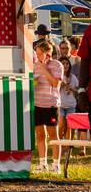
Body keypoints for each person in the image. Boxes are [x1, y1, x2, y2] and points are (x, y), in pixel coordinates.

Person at [33, 38, 63, 170]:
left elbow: (55, 83)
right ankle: (42, 163)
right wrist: (33, 82)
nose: (37, 56)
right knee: (40, 134)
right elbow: (33, 83)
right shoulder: (34, 65)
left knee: (53, 136)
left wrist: (44, 69)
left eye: (40, 53)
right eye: (36, 53)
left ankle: (56, 165)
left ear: (48, 53)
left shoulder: (57, 65)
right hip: (37, 103)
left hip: (51, 105)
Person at [59, 55, 79, 139]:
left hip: (71, 105)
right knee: (61, 125)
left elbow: (78, 91)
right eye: (63, 63)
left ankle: (66, 148)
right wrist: (61, 85)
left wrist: (72, 89)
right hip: (60, 105)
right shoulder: (58, 76)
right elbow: (53, 90)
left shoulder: (73, 77)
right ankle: (59, 143)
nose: (65, 65)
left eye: (67, 63)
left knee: (69, 126)